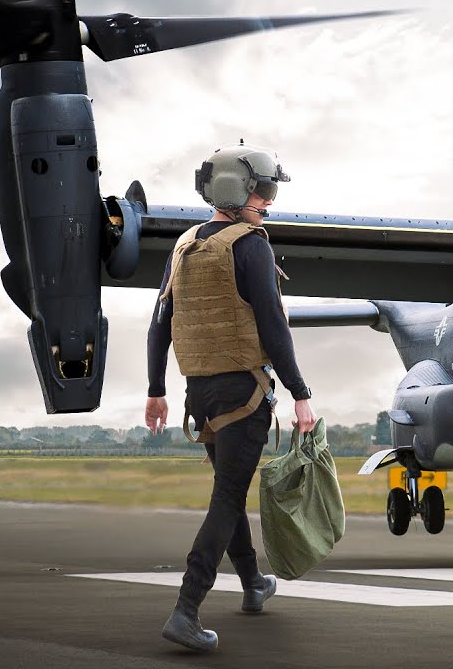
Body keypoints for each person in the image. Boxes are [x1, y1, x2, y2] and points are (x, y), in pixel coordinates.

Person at [145, 143, 316, 653]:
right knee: (227, 498)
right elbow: (272, 323)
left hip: (200, 394)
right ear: (237, 191)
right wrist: (301, 394)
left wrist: (156, 390)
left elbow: (160, 325)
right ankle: (186, 609)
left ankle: (252, 585)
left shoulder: (185, 246)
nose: (269, 200)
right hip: (244, 391)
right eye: (264, 190)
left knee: (228, 488)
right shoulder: (251, 244)